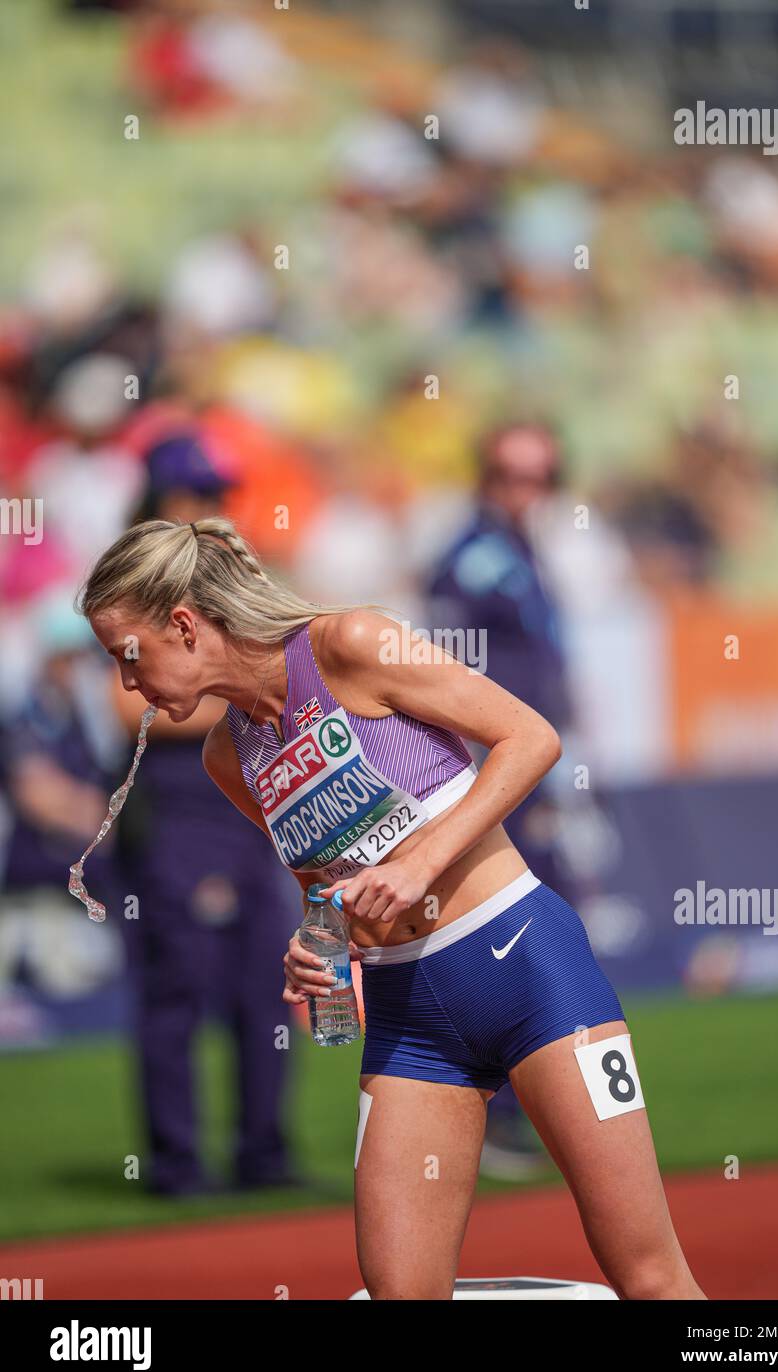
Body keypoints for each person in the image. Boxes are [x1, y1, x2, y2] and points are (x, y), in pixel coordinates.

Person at [77, 514, 706, 1301]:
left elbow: (531, 738)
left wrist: (421, 861)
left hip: (526, 967)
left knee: (648, 1276)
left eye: (127, 655)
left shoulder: (351, 643)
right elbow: (322, 883)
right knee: (401, 1296)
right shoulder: (225, 755)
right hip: (411, 1021)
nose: (126, 683)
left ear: (182, 623)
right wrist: (320, 950)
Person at [111, 434, 304, 1197]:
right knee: (179, 988)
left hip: (248, 807)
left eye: (212, 496)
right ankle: (177, 1165)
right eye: (189, 497)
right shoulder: (130, 586)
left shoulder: (239, 583)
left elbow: (293, 668)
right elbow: (123, 708)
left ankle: (265, 1154)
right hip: (177, 809)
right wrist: (237, 697)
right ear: (157, 504)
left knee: (267, 983)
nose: (205, 511)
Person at [425, 421, 579, 1177]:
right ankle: (494, 1113)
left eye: (541, 476)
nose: (527, 491)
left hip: (536, 765)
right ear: (487, 476)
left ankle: (531, 1111)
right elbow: (447, 674)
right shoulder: (472, 559)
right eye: (513, 476)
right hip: (499, 770)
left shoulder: (519, 551)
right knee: (510, 940)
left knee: (541, 935)